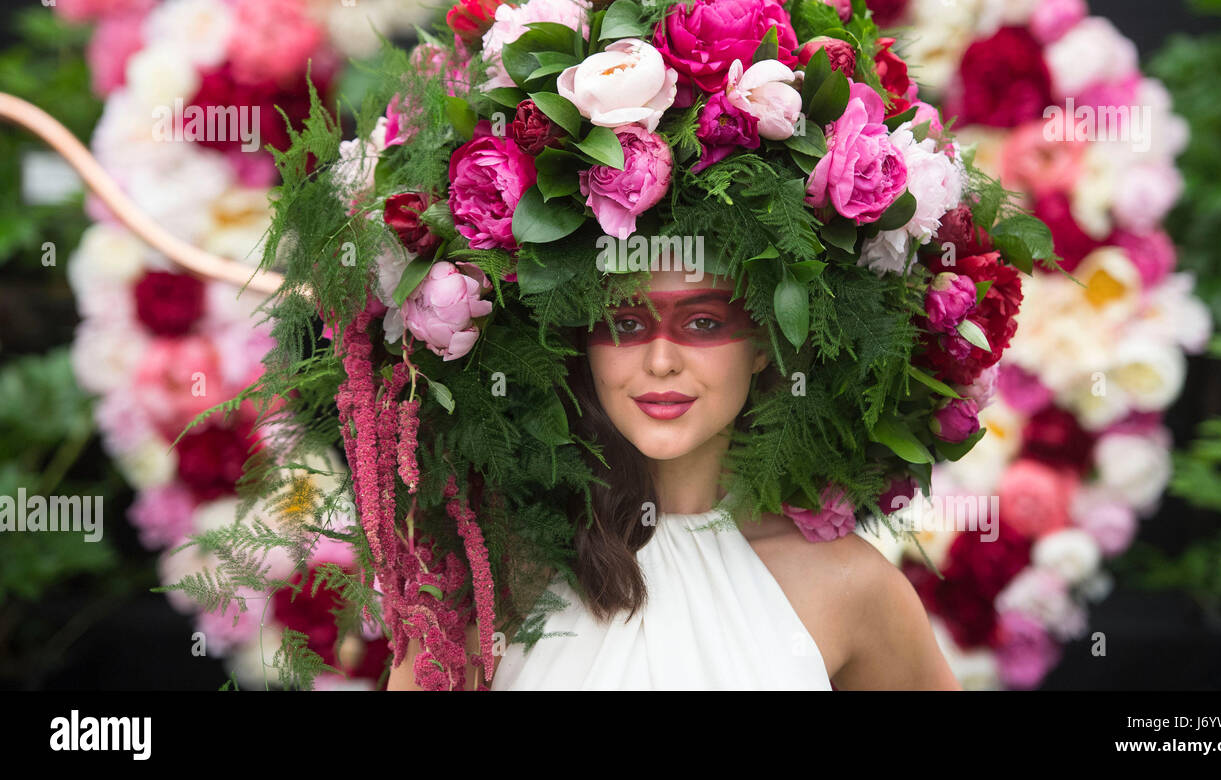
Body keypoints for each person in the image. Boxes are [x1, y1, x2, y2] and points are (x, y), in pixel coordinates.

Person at [389, 262, 961, 691]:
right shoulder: (486, 577)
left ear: (764, 345)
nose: (661, 360)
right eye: (626, 322)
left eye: (704, 322)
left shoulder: (850, 586)